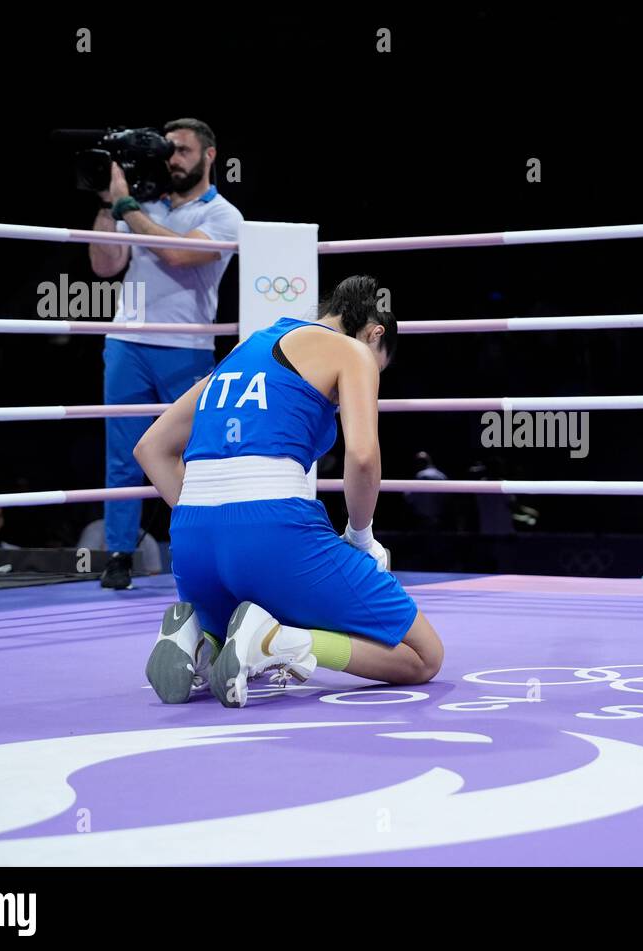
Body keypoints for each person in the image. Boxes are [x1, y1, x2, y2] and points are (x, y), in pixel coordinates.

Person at [132, 275, 444, 707]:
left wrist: (213, 518)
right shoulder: (352, 351)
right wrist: (359, 535)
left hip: (190, 544)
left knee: (259, 604)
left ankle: (201, 639)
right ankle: (282, 642)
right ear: (375, 334)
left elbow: (150, 449)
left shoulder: (244, 351)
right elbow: (363, 457)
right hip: (274, 532)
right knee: (423, 657)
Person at [88, 118, 244, 590]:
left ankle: (195, 550)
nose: (172, 158)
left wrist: (127, 207)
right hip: (127, 341)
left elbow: (178, 255)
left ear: (209, 156)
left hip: (188, 345)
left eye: (182, 150)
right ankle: (118, 556)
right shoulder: (145, 206)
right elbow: (103, 265)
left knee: (195, 454)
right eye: (168, 150)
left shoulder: (222, 215)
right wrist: (105, 203)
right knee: (121, 457)